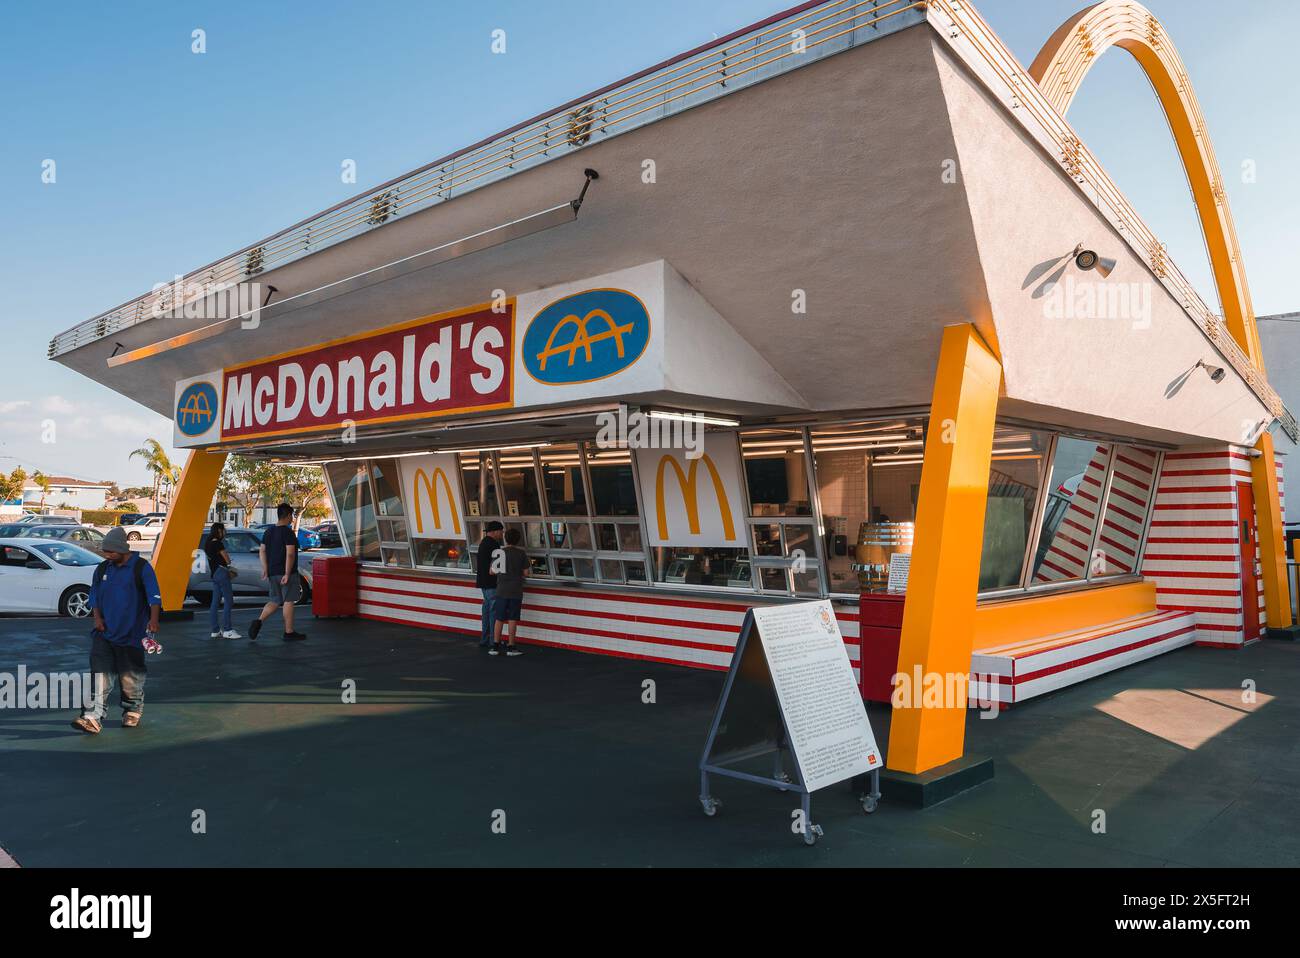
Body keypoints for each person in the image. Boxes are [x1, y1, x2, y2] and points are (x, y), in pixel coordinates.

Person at [71, 526, 162, 734]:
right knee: (99, 676)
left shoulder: (141, 567)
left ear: (123, 549)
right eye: (105, 551)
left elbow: (154, 596)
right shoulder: (103, 569)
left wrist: (154, 620)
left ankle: (132, 710)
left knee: (130, 677)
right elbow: (94, 595)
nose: (107, 554)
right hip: (104, 633)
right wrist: (97, 618)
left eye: (111, 551)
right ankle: (92, 717)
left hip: (133, 634)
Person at [249, 503, 307, 641]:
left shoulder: (268, 531)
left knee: (275, 600)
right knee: (288, 600)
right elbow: (290, 554)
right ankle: (288, 632)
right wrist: (287, 573)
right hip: (287, 573)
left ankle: (259, 621)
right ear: (287, 516)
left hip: (273, 572)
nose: (292, 518)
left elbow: (262, 550)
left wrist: (265, 568)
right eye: (292, 515)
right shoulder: (288, 533)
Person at [489, 528, 529, 657]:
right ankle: (511, 647)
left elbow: (492, 571)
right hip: (516, 590)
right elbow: (526, 573)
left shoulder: (500, 553)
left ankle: (495, 646)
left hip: (501, 590)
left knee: (499, 618)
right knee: (512, 619)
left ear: (505, 539)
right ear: (518, 540)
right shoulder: (521, 553)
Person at [204, 522, 241, 639]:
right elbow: (228, 560)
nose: (225, 532)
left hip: (214, 574)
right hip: (222, 573)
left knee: (215, 603)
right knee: (229, 601)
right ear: (219, 531)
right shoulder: (218, 543)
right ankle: (228, 630)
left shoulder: (208, 543)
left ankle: (215, 630)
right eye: (224, 530)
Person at [474, 520, 505, 649]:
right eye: (501, 531)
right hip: (492, 583)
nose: (502, 534)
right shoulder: (494, 545)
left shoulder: (483, 543)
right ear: (496, 531)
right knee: (493, 611)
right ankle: (494, 640)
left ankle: (484, 638)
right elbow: (497, 568)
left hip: (482, 581)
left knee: (486, 610)